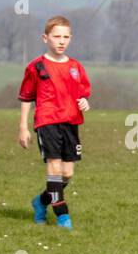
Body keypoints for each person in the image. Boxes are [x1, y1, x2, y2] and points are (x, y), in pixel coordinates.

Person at [17, 15, 92, 230]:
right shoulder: (36, 67)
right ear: (45, 38)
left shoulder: (76, 66)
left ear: (71, 39)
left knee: (67, 173)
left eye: (66, 37)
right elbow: (26, 98)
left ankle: (40, 201)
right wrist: (23, 127)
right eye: (57, 36)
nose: (61, 41)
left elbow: (83, 92)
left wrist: (84, 101)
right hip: (47, 121)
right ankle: (62, 217)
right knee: (54, 168)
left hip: (71, 122)